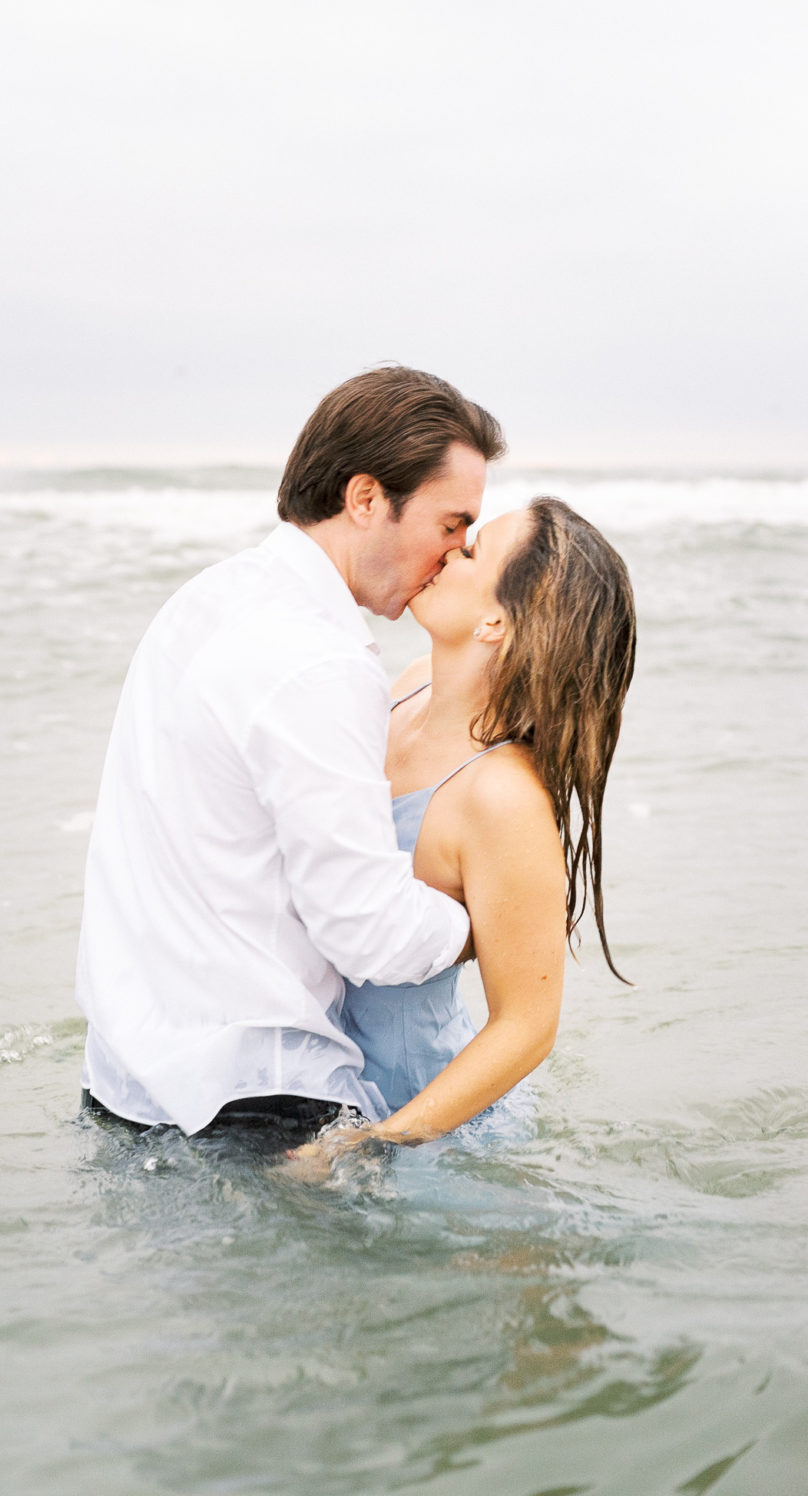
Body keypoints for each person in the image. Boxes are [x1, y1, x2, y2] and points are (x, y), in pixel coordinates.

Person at [75, 367, 505, 1147]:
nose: (456, 554)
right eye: (451, 524)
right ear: (366, 498)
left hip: (126, 1080)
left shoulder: (204, 600)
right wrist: (487, 925)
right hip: (258, 1099)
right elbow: (366, 930)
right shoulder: (320, 663)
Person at [284, 495, 637, 1175]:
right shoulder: (406, 689)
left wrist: (371, 1147)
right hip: (321, 1089)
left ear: (496, 621)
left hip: (425, 1136)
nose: (449, 547)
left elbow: (527, 1026)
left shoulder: (500, 795)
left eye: (471, 552)